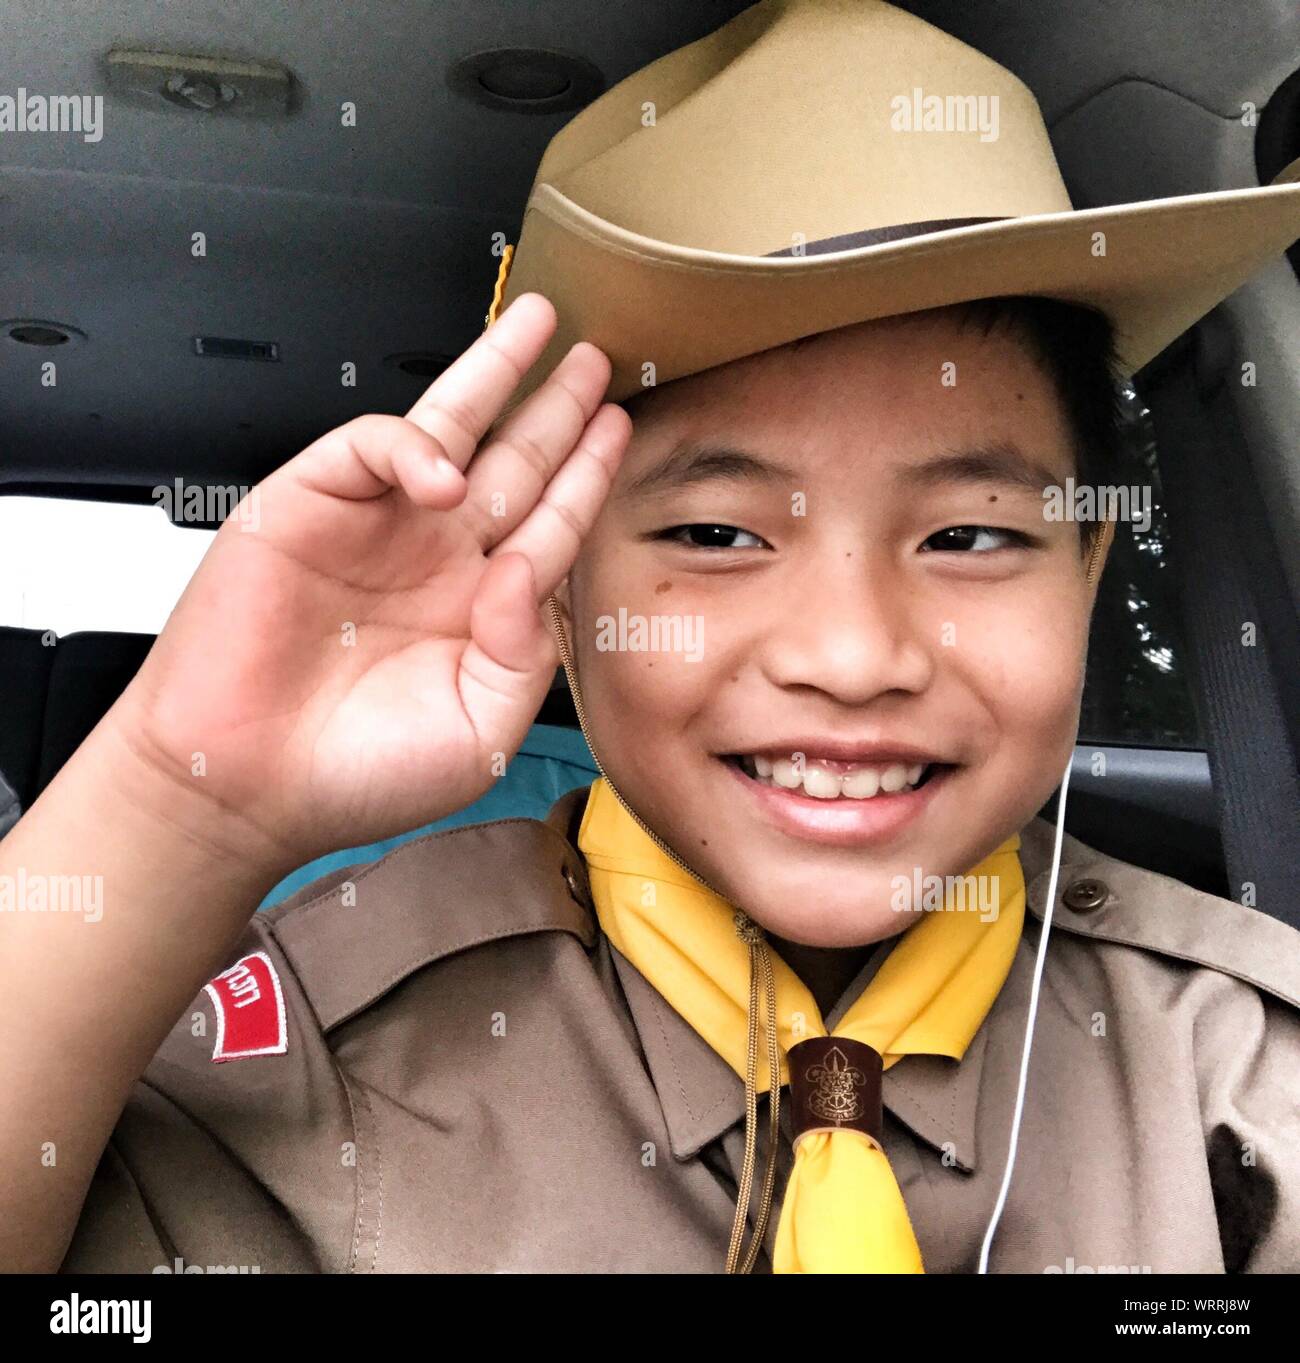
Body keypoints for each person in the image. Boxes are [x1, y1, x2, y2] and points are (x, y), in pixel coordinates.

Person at [3, 0, 1299, 1275]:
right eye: (717, 537)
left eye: (967, 537)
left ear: (1086, 576)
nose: (852, 659)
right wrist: (183, 806)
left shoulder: (1240, 1062)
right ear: (559, 591)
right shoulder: (311, 1068)